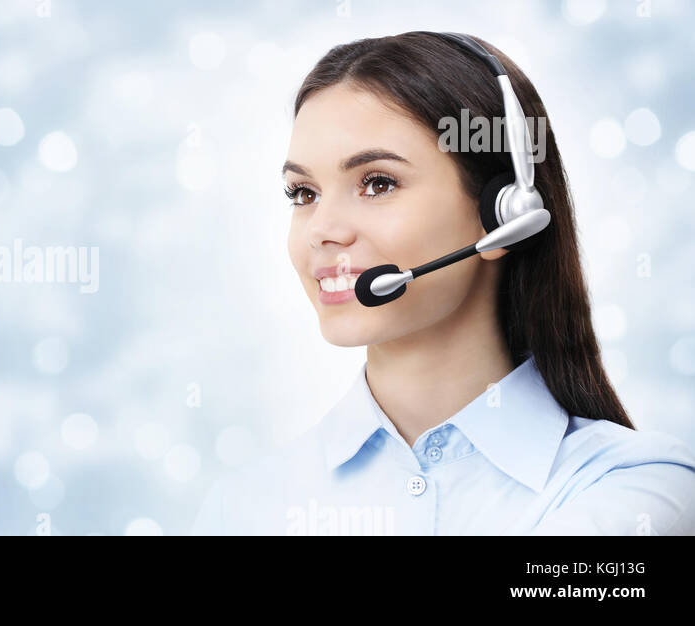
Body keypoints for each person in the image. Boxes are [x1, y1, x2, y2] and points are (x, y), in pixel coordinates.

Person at [190, 31, 695, 535]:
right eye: (303, 193)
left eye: (377, 183)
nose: (321, 230)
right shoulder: (242, 508)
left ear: (505, 216)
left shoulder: (640, 487)